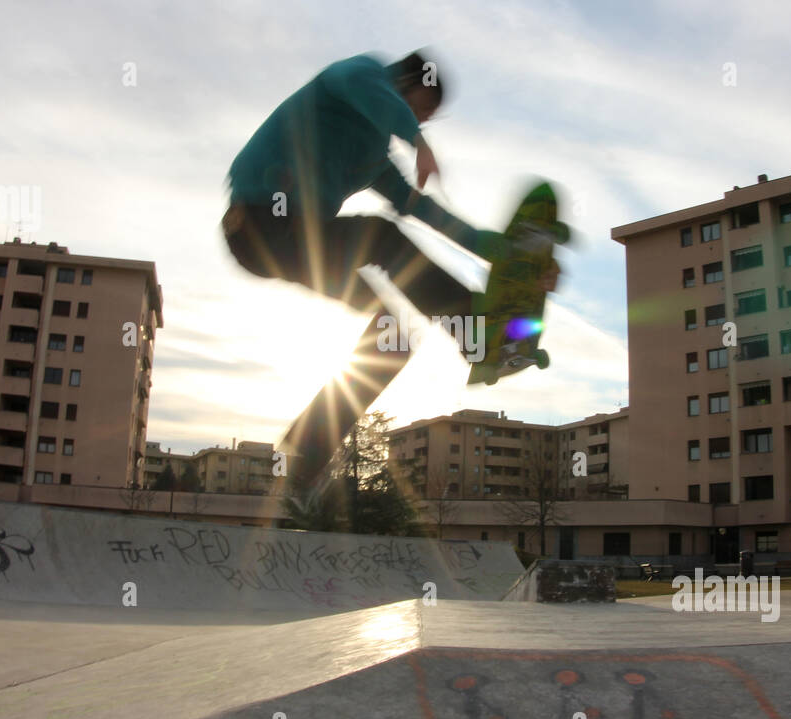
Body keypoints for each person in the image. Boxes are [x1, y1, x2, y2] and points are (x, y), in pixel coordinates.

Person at [222, 50, 553, 497]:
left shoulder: (374, 156)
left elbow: (420, 209)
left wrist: (496, 250)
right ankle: (476, 333)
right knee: (381, 236)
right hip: (260, 222)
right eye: (419, 108)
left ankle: (302, 460)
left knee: (392, 338)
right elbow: (369, 94)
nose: (418, 120)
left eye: (425, 119)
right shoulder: (353, 76)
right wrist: (417, 139)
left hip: (301, 246)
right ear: (403, 82)